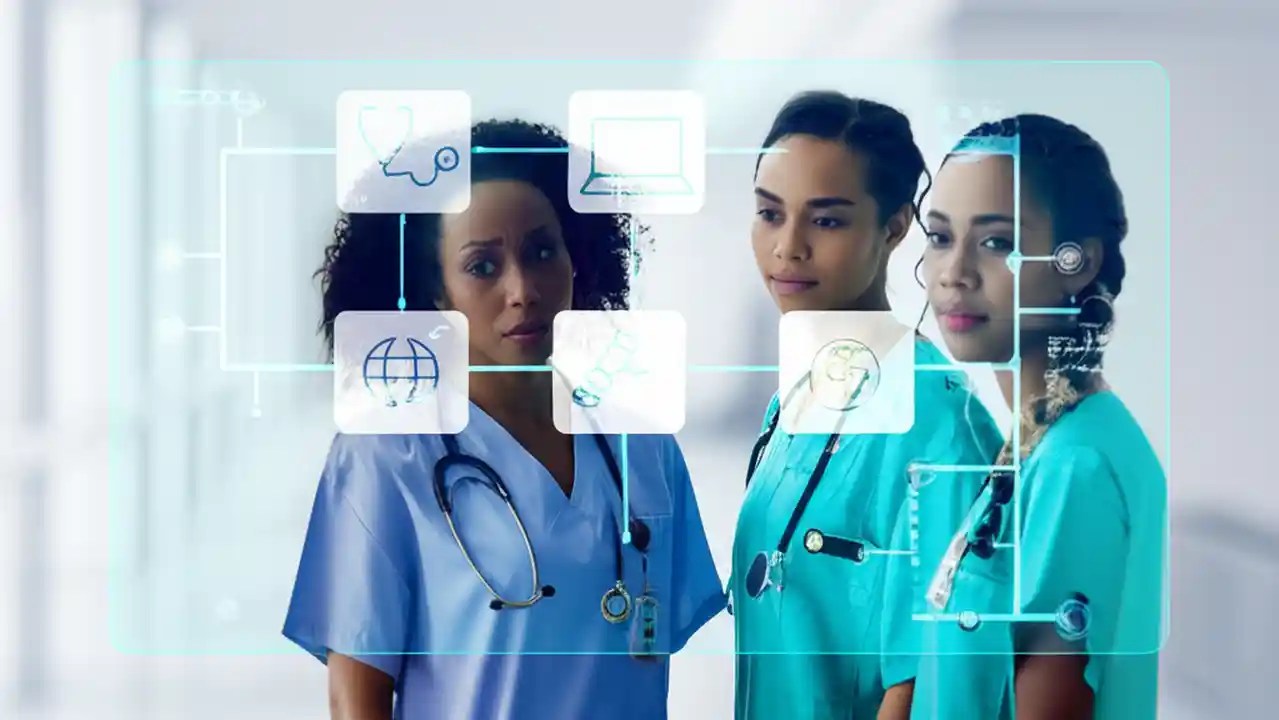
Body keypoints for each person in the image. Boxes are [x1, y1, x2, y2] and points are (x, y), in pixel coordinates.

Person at [283, 119, 726, 720]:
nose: (523, 290)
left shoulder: (643, 446)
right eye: (482, 267)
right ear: (436, 292)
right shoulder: (385, 455)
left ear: (576, 258)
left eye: (542, 252)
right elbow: (355, 701)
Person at [731, 90, 1003, 720]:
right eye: (770, 213)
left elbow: (928, 682)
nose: (787, 247)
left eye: (826, 220)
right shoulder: (794, 402)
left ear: (895, 226)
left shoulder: (940, 427)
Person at [889, 114, 1166, 719]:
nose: (954, 273)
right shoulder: (1035, 440)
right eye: (940, 236)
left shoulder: (1076, 466)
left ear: (1078, 262)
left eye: (997, 243)